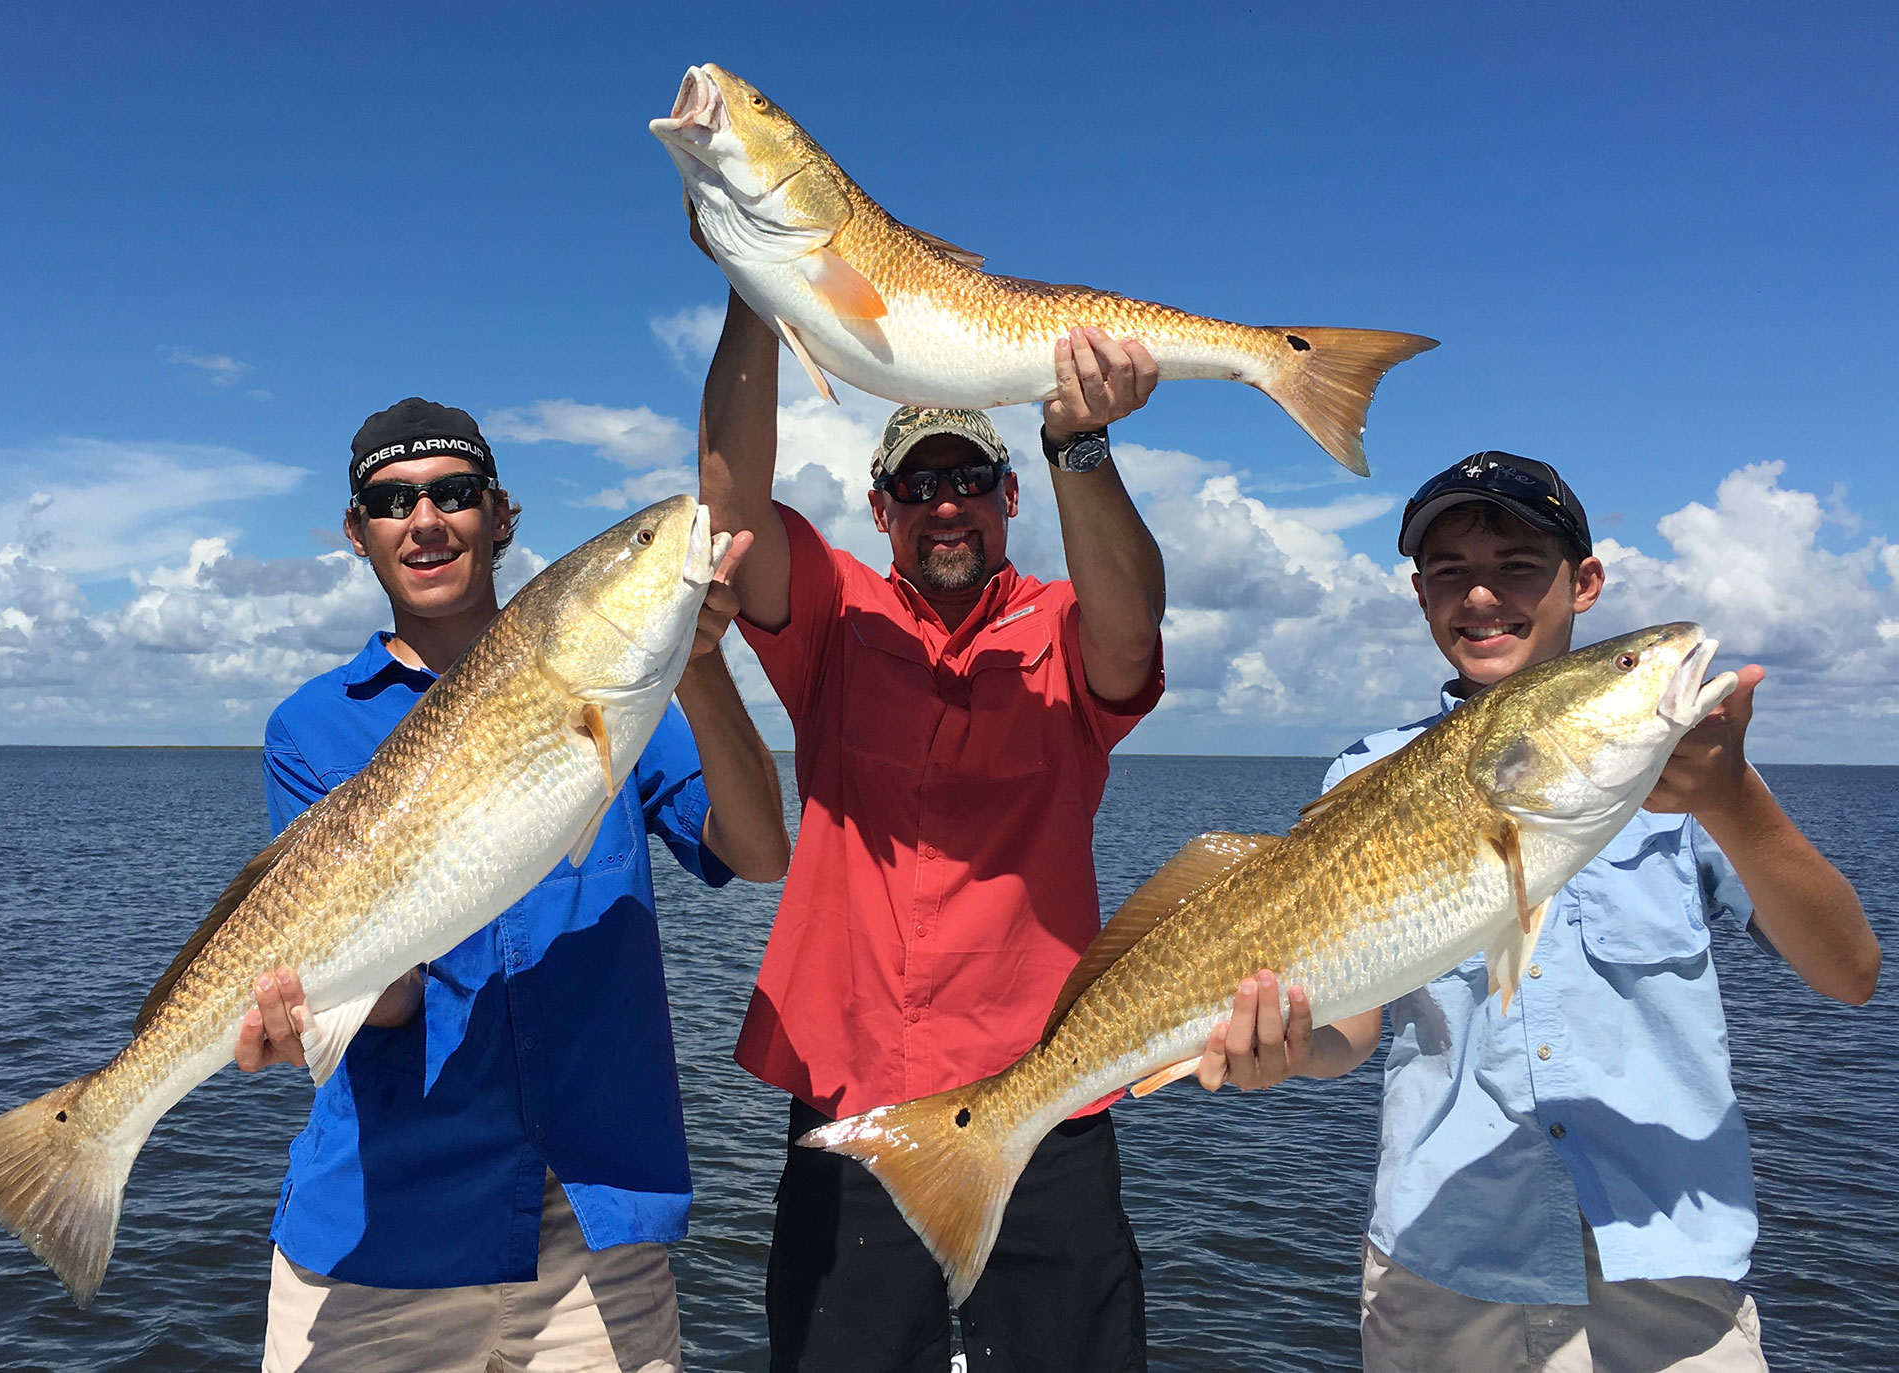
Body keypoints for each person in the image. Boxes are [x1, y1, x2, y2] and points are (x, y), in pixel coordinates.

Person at [1197, 450, 1880, 1372]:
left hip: (1670, 1281)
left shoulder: (1691, 773)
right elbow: (1351, 1027)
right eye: (1451, 574)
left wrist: (1733, 800)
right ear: (1421, 597)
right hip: (1443, 1274)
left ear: (1584, 582)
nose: (1482, 597)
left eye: (1518, 565)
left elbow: (1850, 972)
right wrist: (1283, 1053)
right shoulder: (1367, 778)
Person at [235, 397, 791, 1373]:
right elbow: (395, 991)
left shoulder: (627, 691)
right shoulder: (310, 727)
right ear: (357, 531)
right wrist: (319, 1000)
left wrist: (698, 667)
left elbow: (755, 851)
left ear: (499, 515)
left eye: (453, 493)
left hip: (594, 1230)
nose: (425, 519)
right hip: (381, 1234)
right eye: (392, 499)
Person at [696, 281, 1170, 1372]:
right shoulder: (833, 614)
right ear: (880, 507)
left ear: (1009, 495)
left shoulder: (1061, 625)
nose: (944, 503)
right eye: (917, 484)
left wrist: (1079, 448)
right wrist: (751, 288)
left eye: (967, 480)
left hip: (1043, 1100)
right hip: (853, 1091)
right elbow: (728, 512)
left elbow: (1132, 623)